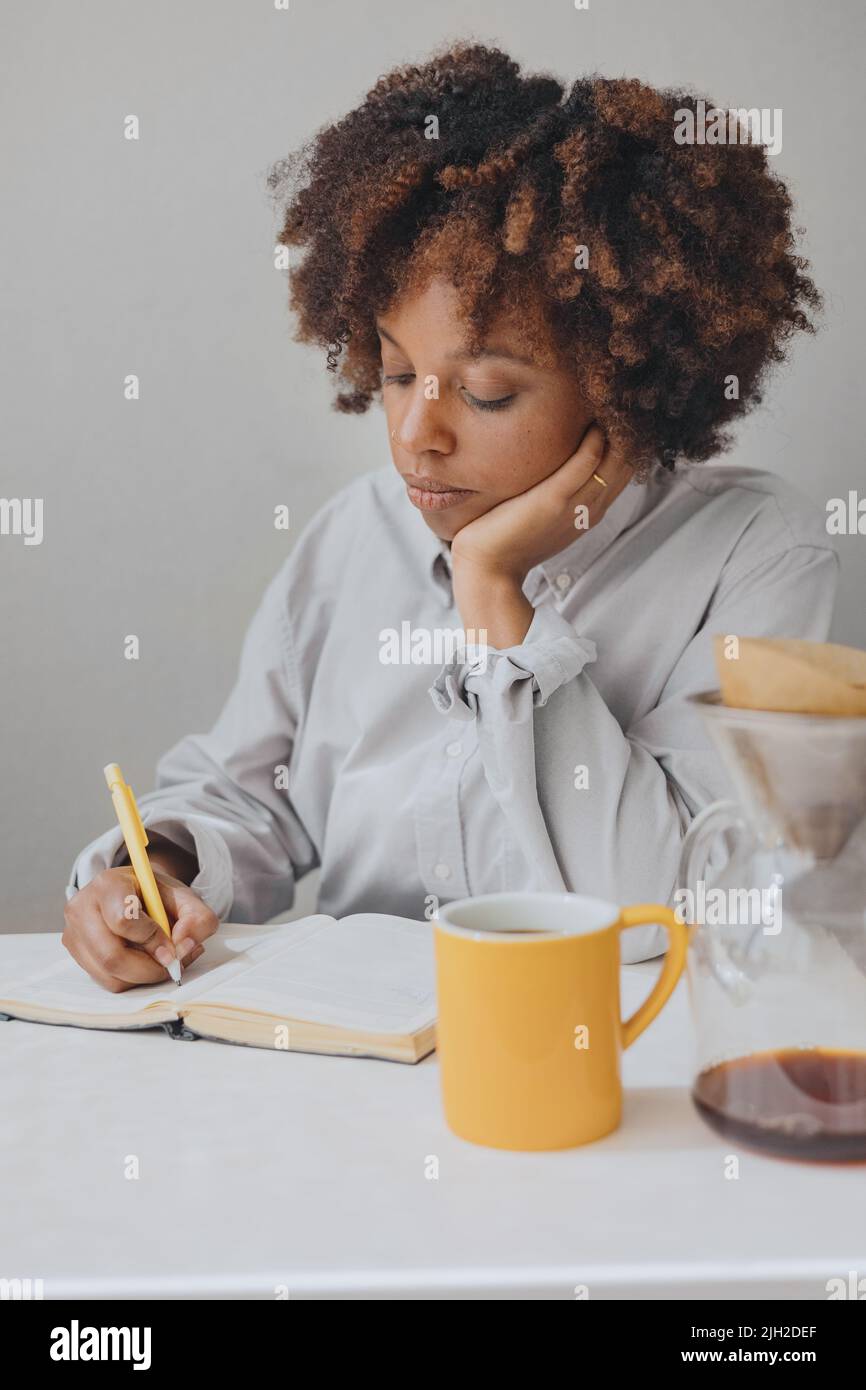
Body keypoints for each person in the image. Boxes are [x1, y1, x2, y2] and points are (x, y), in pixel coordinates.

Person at [63, 42, 838, 991]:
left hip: (609, 1062)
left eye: (485, 394)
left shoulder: (758, 558)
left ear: (623, 392)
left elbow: (664, 908)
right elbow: (248, 796)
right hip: (357, 1060)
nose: (414, 435)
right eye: (395, 374)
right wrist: (158, 878)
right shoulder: (357, 537)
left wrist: (495, 594)